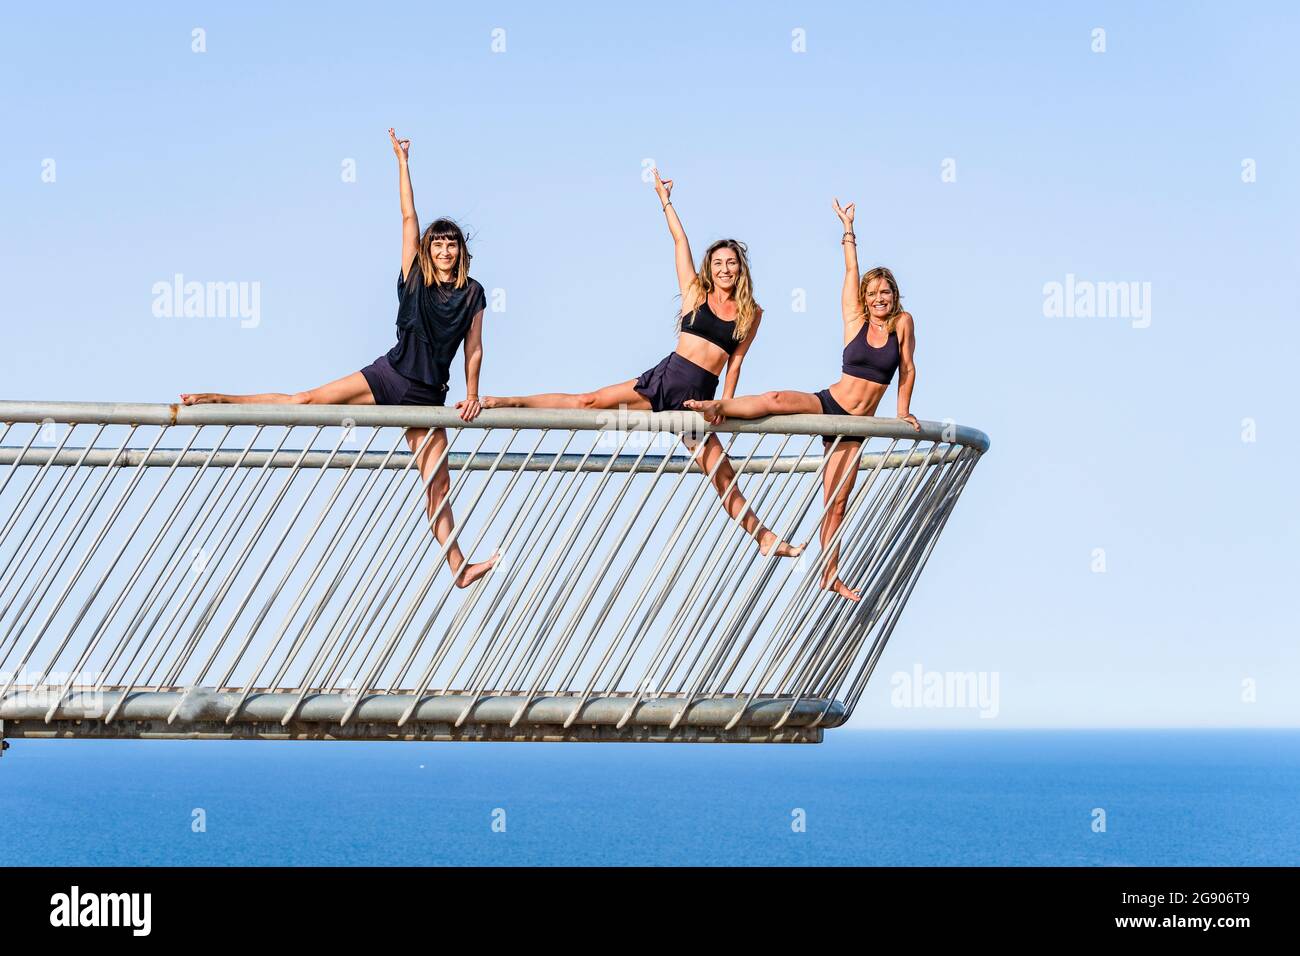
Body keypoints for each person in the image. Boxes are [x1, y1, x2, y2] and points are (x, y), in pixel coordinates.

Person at [179, 129, 496, 587]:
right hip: (389, 376)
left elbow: (475, 348)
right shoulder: (413, 276)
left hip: (428, 396)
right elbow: (409, 217)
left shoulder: (473, 294)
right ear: (428, 251)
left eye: (452, 245)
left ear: (461, 252)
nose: (445, 251)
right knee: (305, 401)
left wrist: (472, 396)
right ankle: (217, 398)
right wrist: (402, 161)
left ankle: (459, 569)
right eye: (438, 244)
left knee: (438, 486)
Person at [481, 169, 799, 557]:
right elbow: (679, 241)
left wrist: (723, 408)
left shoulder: (752, 312)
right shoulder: (695, 292)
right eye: (718, 263)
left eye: (731, 263)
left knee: (720, 471)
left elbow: (735, 365)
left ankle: (763, 537)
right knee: (589, 402)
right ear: (709, 267)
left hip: (697, 401)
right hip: (665, 379)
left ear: (740, 267)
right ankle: (511, 402)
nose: (724, 269)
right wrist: (665, 200)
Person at [685, 198, 919, 600]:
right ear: (864, 297)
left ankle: (829, 573)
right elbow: (850, 270)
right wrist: (848, 230)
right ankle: (716, 407)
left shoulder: (903, 323)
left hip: (855, 427)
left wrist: (902, 413)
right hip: (831, 404)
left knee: (837, 502)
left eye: (886, 292)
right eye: (873, 292)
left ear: (894, 295)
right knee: (776, 398)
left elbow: (909, 369)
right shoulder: (855, 319)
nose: (880, 297)